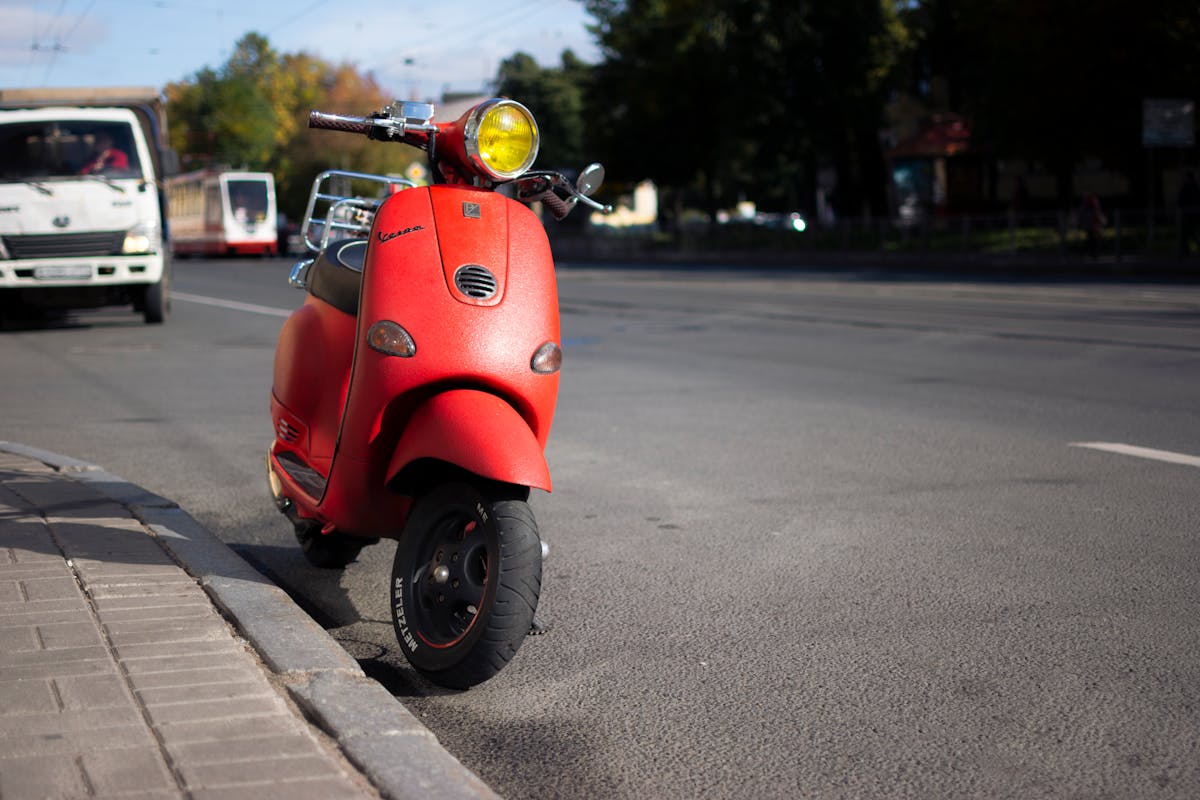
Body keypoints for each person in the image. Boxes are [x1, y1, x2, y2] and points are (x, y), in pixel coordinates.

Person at [1178, 171, 1200, 256]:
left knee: (1186, 234)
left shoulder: (1186, 187)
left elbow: (1181, 201)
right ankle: (1187, 250)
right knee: (1191, 234)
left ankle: (1185, 251)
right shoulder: (1196, 187)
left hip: (1188, 215)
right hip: (1194, 215)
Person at [1079, 193, 1106, 257]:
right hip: (1092, 223)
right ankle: (1093, 252)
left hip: (1093, 223)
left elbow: (1096, 212)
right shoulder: (1090, 202)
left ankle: (1094, 252)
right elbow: (1096, 211)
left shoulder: (1091, 201)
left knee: (1093, 238)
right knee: (1092, 238)